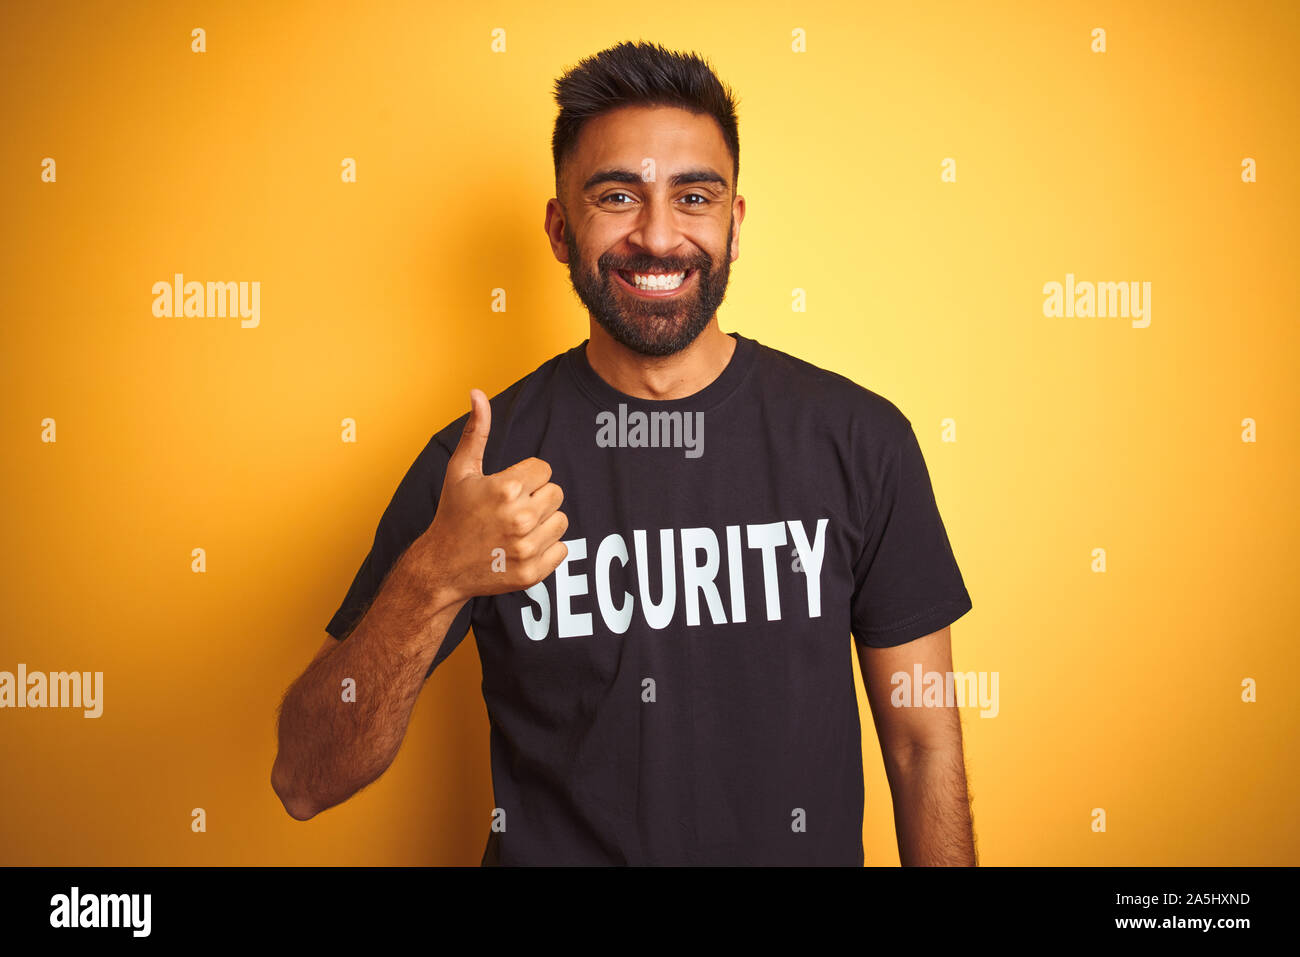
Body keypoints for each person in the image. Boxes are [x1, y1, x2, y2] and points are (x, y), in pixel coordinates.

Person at [272, 40, 976, 866]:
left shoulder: (860, 440)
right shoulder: (476, 467)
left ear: (735, 224)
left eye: (694, 196)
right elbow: (304, 777)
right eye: (616, 196)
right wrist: (437, 574)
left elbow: (923, 750)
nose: (658, 235)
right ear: (560, 228)